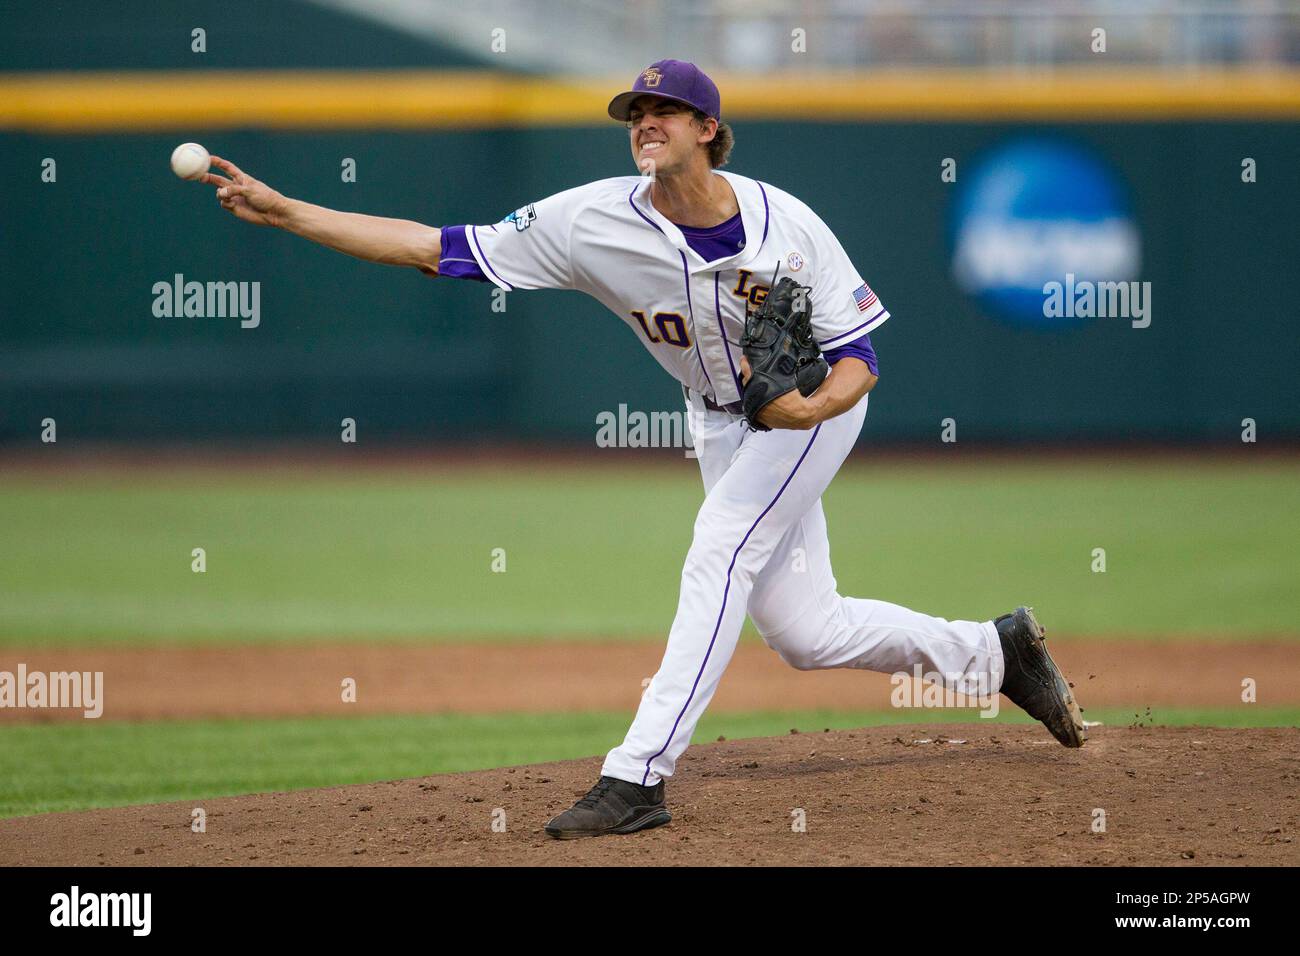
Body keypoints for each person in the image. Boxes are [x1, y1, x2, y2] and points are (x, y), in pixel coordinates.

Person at [202, 59, 1085, 842]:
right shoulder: (588, 220)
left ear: (709, 130)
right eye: (634, 113)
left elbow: (861, 358)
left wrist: (809, 407)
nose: (644, 124)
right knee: (807, 633)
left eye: (662, 111)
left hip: (810, 417)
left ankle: (637, 776)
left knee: (719, 549)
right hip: (719, 421)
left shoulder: (792, 227)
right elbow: (435, 249)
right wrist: (288, 214)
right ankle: (995, 653)